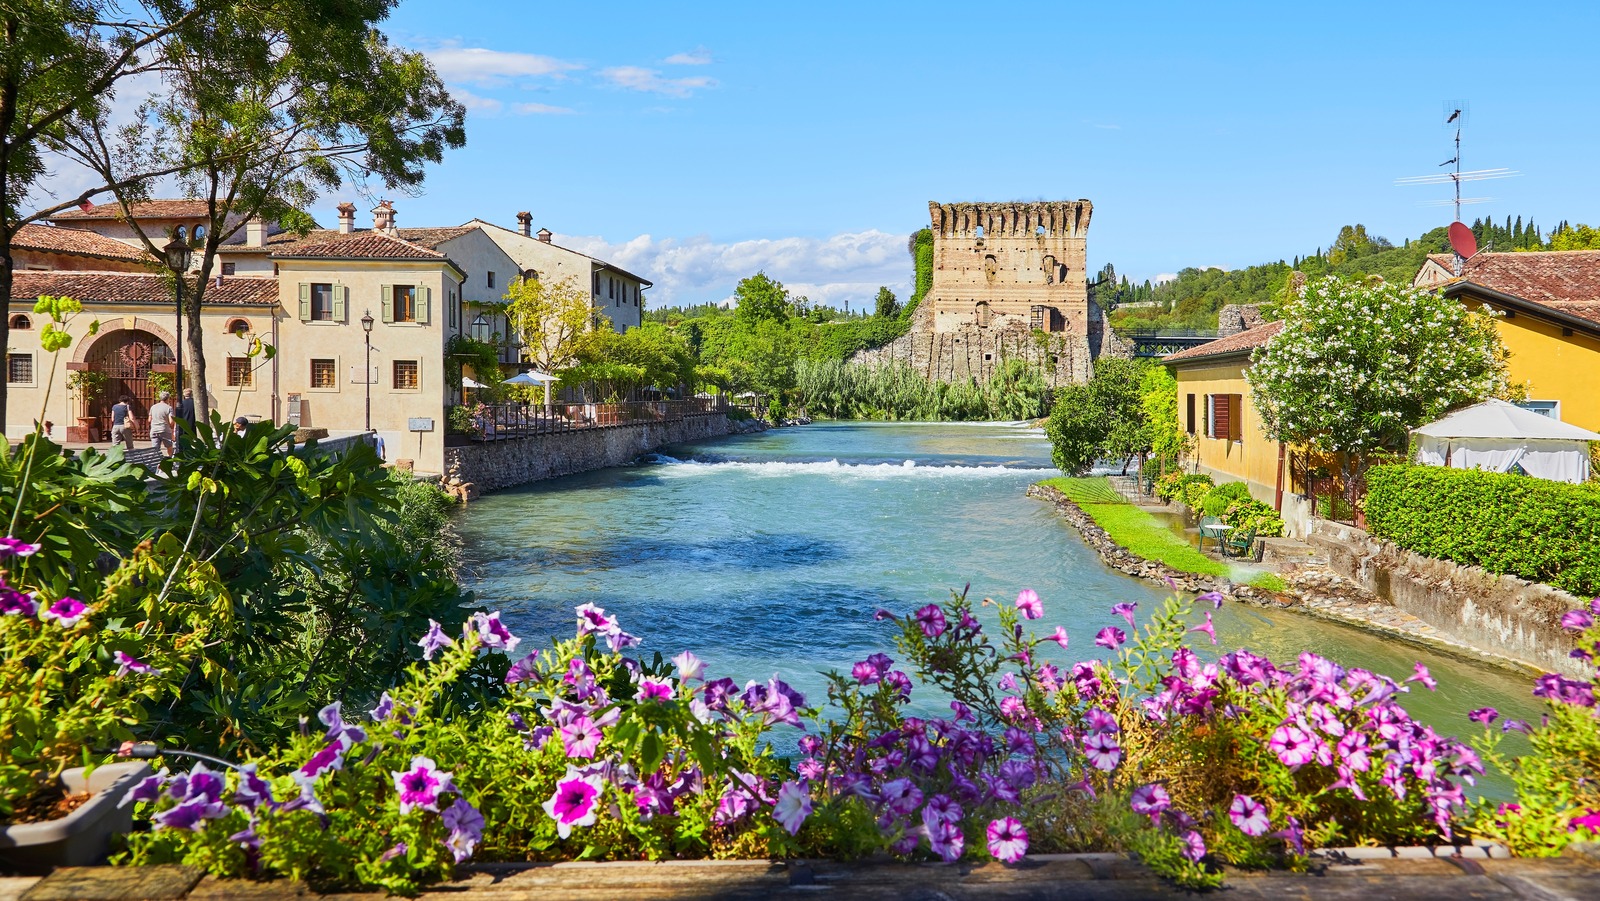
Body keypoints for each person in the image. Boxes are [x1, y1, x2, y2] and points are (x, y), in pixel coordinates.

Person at [148, 391, 176, 456]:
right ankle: (170, 460)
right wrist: (172, 428)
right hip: (165, 429)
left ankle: (156, 462)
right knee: (169, 447)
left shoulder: (153, 407)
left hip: (154, 430)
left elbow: (149, 420)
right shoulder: (169, 408)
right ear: (168, 398)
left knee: (155, 449)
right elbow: (171, 421)